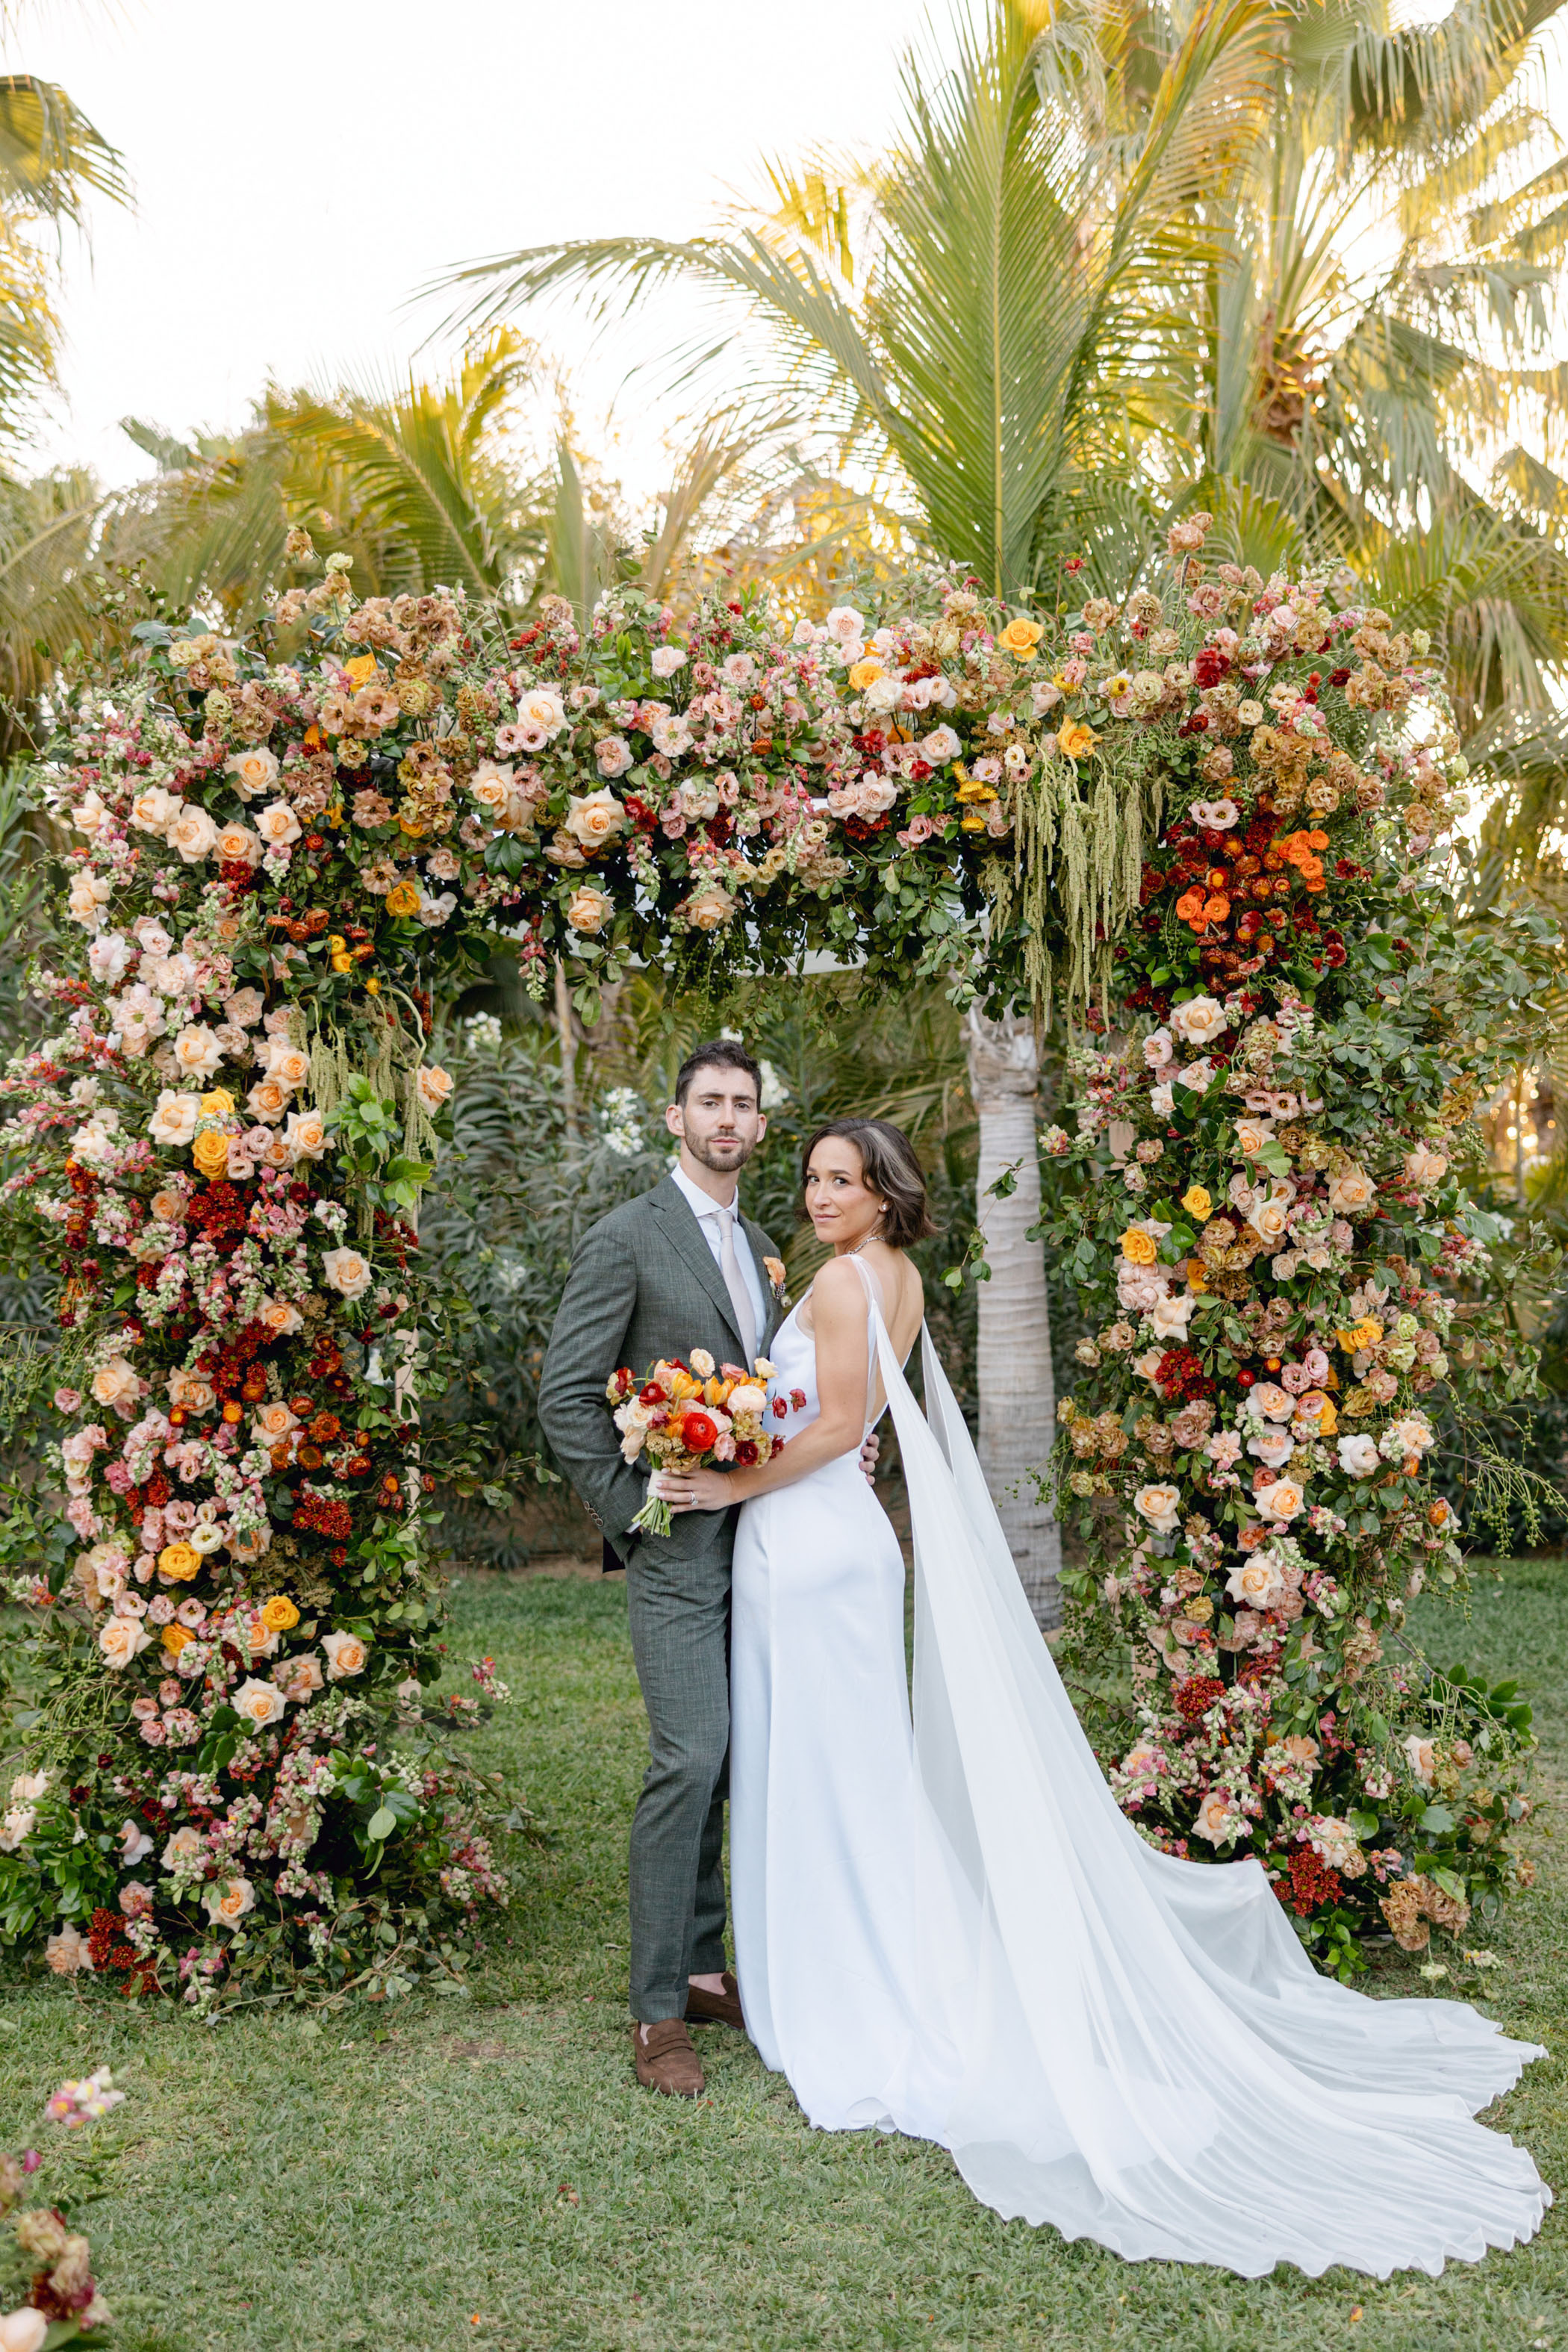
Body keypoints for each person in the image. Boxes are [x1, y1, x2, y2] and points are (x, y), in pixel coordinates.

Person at [649, 1116, 1551, 2278]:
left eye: (844, 1180)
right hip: (853, 1553)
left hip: (807, 1550)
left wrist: (725, 1481)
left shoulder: (837, 1277)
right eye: (816, 1178)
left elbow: (828, 1428)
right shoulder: (900, 1275)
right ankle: (851, 1959)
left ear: (883, 1193)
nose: (822, 1195)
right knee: (850, 1772)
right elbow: (852, 1417)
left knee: (819, 1773)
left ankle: (842, 1986)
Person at [537, 1039, 876, 2099]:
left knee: (738, 1759)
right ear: (674, 1119)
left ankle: (699, 1965)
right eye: (709, 1102)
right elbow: (564, 1398)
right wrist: (635, 1519)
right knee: (689, 1756)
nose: (727, 1118)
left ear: (761, 1126)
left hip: (768, 1547)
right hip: (678, 1551)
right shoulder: (626, 1239)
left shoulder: (770, 1243)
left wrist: (836, 1439)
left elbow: (773, 1392)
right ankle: (653, 2014)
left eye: (743, 1104)